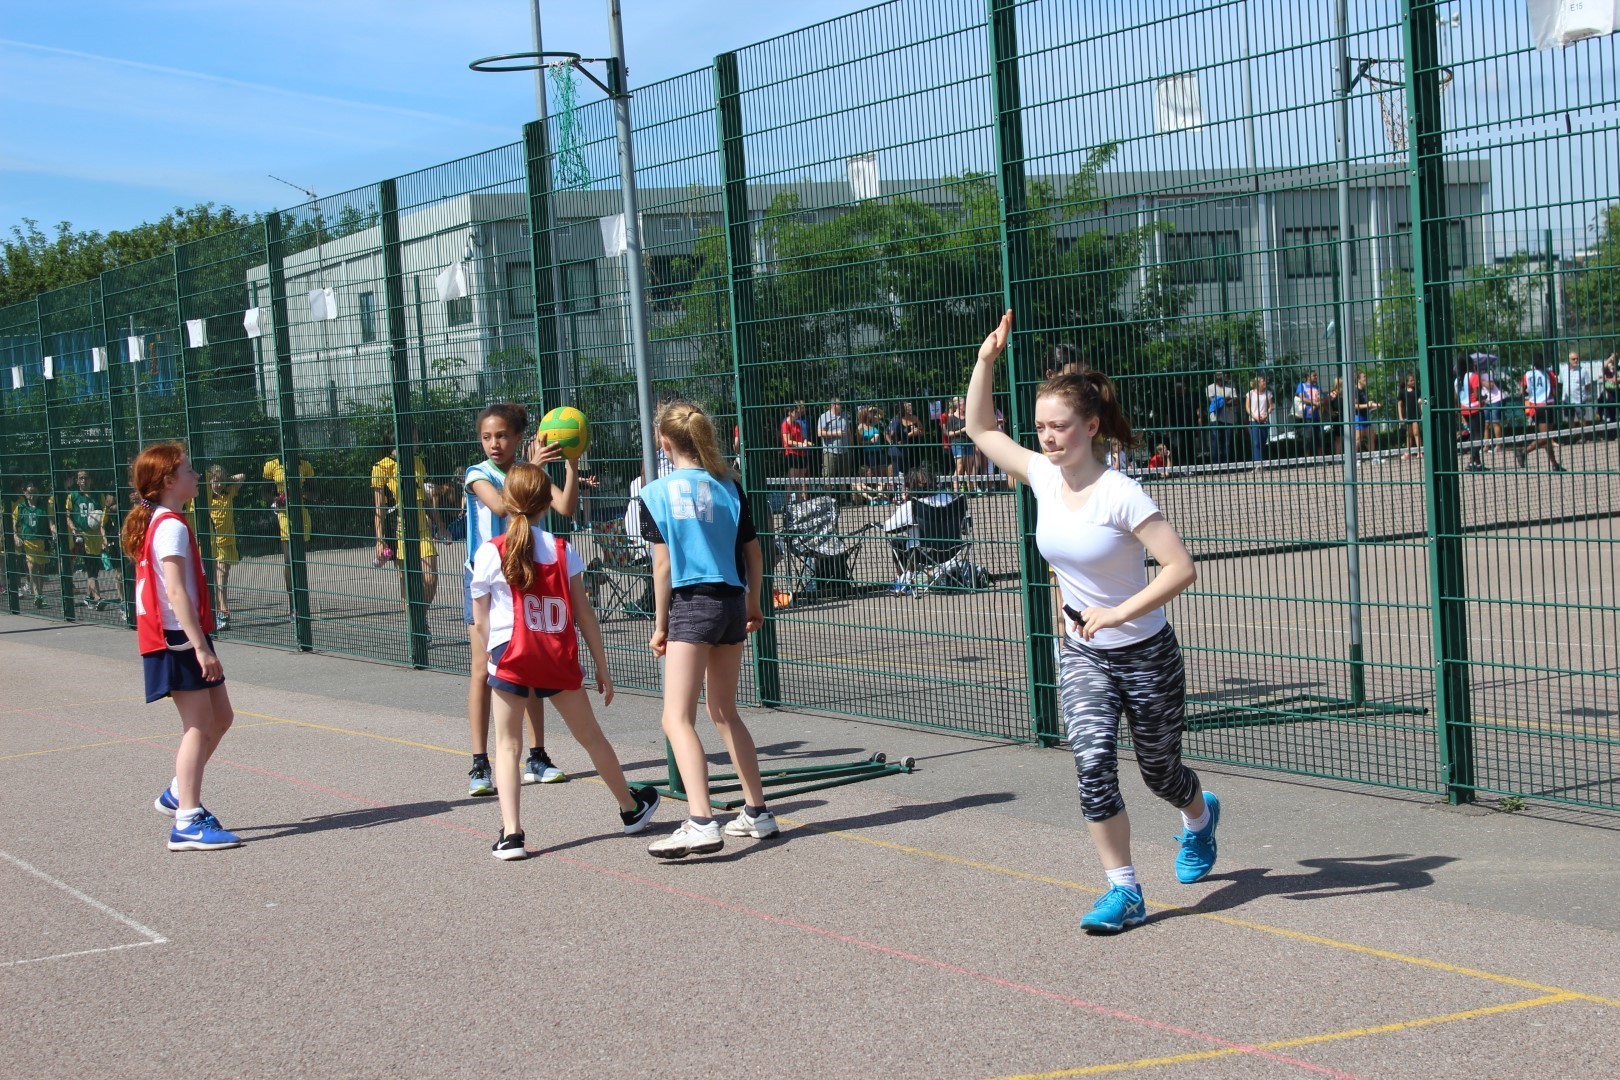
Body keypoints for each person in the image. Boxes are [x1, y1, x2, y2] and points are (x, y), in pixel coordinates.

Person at [966, 310, 1217, 935]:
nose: (1048, 438)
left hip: (1144, 648)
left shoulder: (1122, 494)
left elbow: (1180, 568)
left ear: (1092, 426)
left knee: (1161, 771)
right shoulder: (1043, 478)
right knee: (1093, 763)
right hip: (1083, 651)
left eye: (1061, 427)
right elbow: (978, 428)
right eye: (1042, 427)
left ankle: (1198, 815)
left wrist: (1119, 612)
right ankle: (1124, 890)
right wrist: (986, 360)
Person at [468, 462, 660, 860]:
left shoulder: (490, 551)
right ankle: (629, 807)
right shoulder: (561, 549)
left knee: (507, 746)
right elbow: (585, 614)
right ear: (545, 505)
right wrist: (602, 666)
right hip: (554, 653)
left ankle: (512, 835)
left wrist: (488, 660)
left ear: (508, 501)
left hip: (510, 653)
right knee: (591, 737)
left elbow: (481, 619)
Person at [637, 401, 772, 858]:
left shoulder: (655, 493)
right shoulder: (730, 487)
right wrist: (753, 601)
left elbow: (663, 566)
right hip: (732, 601)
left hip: (692, 604)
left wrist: (660, 625)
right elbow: (754, 553)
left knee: (676, 717)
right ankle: (757, 812)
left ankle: (700, 820)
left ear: (664, 441)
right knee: (724, 711)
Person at [463, 403, 582, 797]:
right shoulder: (478, 474)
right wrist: (531, 469)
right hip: (489, 583)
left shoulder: (531, 472)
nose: (494, 444)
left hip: (528, 580)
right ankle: (480, 763)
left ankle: (537, 756)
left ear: (517, 438)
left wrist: (569, 463)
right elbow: (503, 505)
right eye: (486, 437)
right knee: (484, 669)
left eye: (501, 436)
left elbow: (564, 507)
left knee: (531, 672)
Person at [126, 443, 241, 851]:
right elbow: (175, 593)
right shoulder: (169, 525)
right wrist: (200, 647)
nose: (196, 476)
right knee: (198, 726)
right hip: (177, 638)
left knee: (221, 717)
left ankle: (178, 791)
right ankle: (187, 822)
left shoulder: (166, 520)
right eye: (189, 471)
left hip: (185, 634)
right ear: (170, 481)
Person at [371, 441, 444, 607]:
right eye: (414, 439)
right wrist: (380, 540)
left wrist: (439, 524)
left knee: (430, 579)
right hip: (399, 534)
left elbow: (425, 498)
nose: (417, 444)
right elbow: (379, 508)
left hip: (423, 532)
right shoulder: (381, 467)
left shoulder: (417, 462)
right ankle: (416, 628)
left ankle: (420, 620)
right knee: (408, 587)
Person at [262, 455, 315, 620]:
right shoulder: (271, 465)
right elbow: (264, 493)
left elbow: (315, 493)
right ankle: (293, 605)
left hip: (301, 514)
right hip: (284, 516)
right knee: (288, 560)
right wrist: (277, 499)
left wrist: (299, 494)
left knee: (299, 560)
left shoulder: (305, 465)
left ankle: (302, 604)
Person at [204, 466, 246, 630]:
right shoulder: (208, 498)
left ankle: (221, 610)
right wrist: (210, 483)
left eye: (222, 481)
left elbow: (242, 475)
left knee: (223, 576)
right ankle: (222, 611)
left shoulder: (228, 494)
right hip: (215, 542)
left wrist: (226, 480)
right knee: (218, 577)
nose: (219, 484)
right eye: (216, 481)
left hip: (228, 541)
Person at [64, 470, 109, 610]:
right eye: (81, 478)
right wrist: (74, 529)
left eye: (86, 478)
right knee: (91, 567)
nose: (84, 480)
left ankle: (88, 598)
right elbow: (67, 515)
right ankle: (98, 598)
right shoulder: (73, 496)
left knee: (94, 568)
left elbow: (104, 514)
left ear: (91, 480)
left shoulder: (98, 496)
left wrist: (103, 534)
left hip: (96, 536)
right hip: (82, 536)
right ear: (77, 481)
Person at [1517, 356, 1565, 472]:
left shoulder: (1527, 375)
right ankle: (1523, 451)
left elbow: (1521, 392)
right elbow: (1553, 392)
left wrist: (1530, 391)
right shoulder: (1549, 374)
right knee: (1545, 437)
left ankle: (1554, 464)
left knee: (1547, 437)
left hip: (1534, 407)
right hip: (1545, 406)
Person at [12, 482, 56, 608]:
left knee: (40, 569)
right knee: (32, 567)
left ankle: (40, 594)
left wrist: (53, 531)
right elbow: (14, 524)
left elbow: (50, 521)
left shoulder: (44, 506)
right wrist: (16, 536)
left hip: (42, 541)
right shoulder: (20, 507)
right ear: (25, 493)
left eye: (35, 492)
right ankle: (36, 595)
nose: (33, 495)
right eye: (30, 493)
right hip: (28, 541)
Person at [817, 397, 853, 498]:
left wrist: (851, 446)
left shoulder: (845, 415)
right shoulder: (824, 417)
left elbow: (849, 431)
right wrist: (835, 433)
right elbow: (819, 433)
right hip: (830, 451)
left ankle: (844, 497)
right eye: (839, 404)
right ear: (833, 405)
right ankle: (828, 499)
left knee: (845, 476)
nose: (841, 406)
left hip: (845, 450)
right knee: (828, 476)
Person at [1455, 356, 1486, 472]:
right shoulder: (1474, 377)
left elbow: (1456, 397)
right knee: (1479, 437)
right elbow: (1478, 395)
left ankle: (1477, 464)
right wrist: (1484, 398)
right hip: (1475, 409)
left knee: (1473, 435)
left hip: (1464, 409)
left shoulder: (1457, 380)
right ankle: (1470, 462)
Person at [780, 403, 812, 502]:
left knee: (802, 480)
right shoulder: (785, 424)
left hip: (801, 454)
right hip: (791, 453)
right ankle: (786, 502)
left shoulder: (797, 424)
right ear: (790, 413)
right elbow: (788, 441)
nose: (798, 414)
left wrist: (806, 442)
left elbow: (801, 438)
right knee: (792, 481)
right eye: (796, 412)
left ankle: (800, 503)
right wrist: (801, 444)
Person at [1205, 371, 1238, 465]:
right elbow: (1214, 401)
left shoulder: (1231, 388)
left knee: (1227, 443)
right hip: (1215, 419)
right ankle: (1215, 465)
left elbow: (1235, 401)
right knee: (1215, 442)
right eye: (1219, 377)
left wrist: (1222, 399)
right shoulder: (1210, 388)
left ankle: (1226, 464)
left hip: (1228, 419)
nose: (1221, 379)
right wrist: (1227, 398)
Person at [887, 401, 923, 477]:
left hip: (915, 446)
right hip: (903, 448)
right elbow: (891, 435)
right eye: (908, 406)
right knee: (903, 471)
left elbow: (922, 430)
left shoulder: (914, 417)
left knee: (916, 468)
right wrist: (891, 443)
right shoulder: (897, 420)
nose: (910, 408)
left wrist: (918, 432)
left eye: (911, 406)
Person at [1563, 350, 1592, 444]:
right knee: (1570, 419)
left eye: (1577, 359)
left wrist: (1584, 395)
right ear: (1569, 360)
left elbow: (1588, 385)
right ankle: (1572, 437)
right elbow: (1560, 383)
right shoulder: (1563, 370)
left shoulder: (1583, 371)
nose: (1575, 360)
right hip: (1567, 400)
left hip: (1579, 399)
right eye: (1573, 359)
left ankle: (1584, 436)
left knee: (1581, 418)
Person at [1245, 375, 1273, 469]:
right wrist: (1254, 416)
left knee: (1262, 442)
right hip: (1253, 421)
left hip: (1264, 421)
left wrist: (1266, 415)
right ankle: (1258, 465)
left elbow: (1270, 407)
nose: (1264, 382)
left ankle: (1262, 463)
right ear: (1258, 383)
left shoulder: (1268, 393)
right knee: (1256, 443)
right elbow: (1247, 407)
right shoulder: (1250, 394)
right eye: (1263, 381)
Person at [1294, 370, 1324, 456]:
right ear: (1308, 377)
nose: (1316, 377)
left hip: (1316, 416)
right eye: (1314, 375)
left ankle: (1320, 458)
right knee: (1308, 438)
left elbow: (1321, 399)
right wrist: (1314, 403)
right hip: (1306, 416)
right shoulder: (1302, 386)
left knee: (1318, 438)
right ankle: (1307, 458)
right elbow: (1302, 398)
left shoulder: (1317, 387)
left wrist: (1314, 406)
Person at [1353, 371, 1380, 456]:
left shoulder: (1363, 390)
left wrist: (1374, 405)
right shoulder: (1355, 391)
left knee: (1372, 436)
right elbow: (1355, 406)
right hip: (1358, 416)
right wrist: (1367, 405)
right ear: (1359, 379)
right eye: (1363, 377)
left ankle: (1373, 457)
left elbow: (1366, 403)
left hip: (1365, 416)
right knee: (1358, 439)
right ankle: (1355, 458)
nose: (1365, 378)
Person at [1397, 373, 1423, 459]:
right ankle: (1408, 452)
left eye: (1413, 380)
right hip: (1407, 415)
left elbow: (1421, 401)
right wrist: (1401, 417)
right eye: (1411, 380)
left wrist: (1422, 409)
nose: (1413, 382)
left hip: (1415, 414)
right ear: (1407, 382)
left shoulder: (1417, 390)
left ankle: (1419, 451)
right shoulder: (1402, 392)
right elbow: (1400, 405)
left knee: (1416, 433)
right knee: (1409, 434)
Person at [857, 406, 887, 478]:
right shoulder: (861, 427)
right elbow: (859, 443)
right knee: (873, 473)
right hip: (869, 453)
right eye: (869, 412)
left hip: (879, 450)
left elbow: (882, 414)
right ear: (865, 414)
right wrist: (870, 441)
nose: (871, 413)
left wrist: (874, 408)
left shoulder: (873, 422)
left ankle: (884, 487)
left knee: (883, 471)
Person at [1482, 370, 1505, 453]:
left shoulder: (1485, 375)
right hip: (1486, 401)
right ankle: (1486, 446)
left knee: (1495, 422)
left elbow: (1491, 385)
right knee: (1486, 424)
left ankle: (1499, 446)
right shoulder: (1470, 378)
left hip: (1496, 399)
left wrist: (1480, 381)